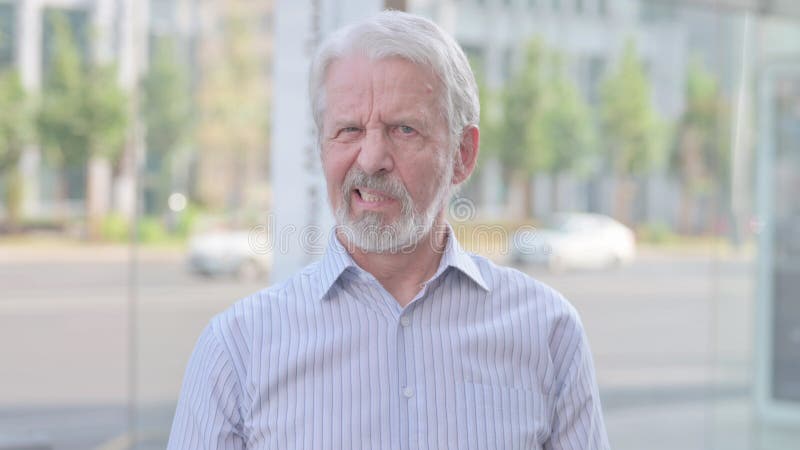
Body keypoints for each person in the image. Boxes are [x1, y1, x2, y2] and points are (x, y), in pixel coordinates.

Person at [167, 10, 609, 450]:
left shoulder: (547, 334)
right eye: (349, 130)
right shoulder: (237, 351)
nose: (371, 158)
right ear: (321, 148)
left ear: (463, 154)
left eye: (404, 129)